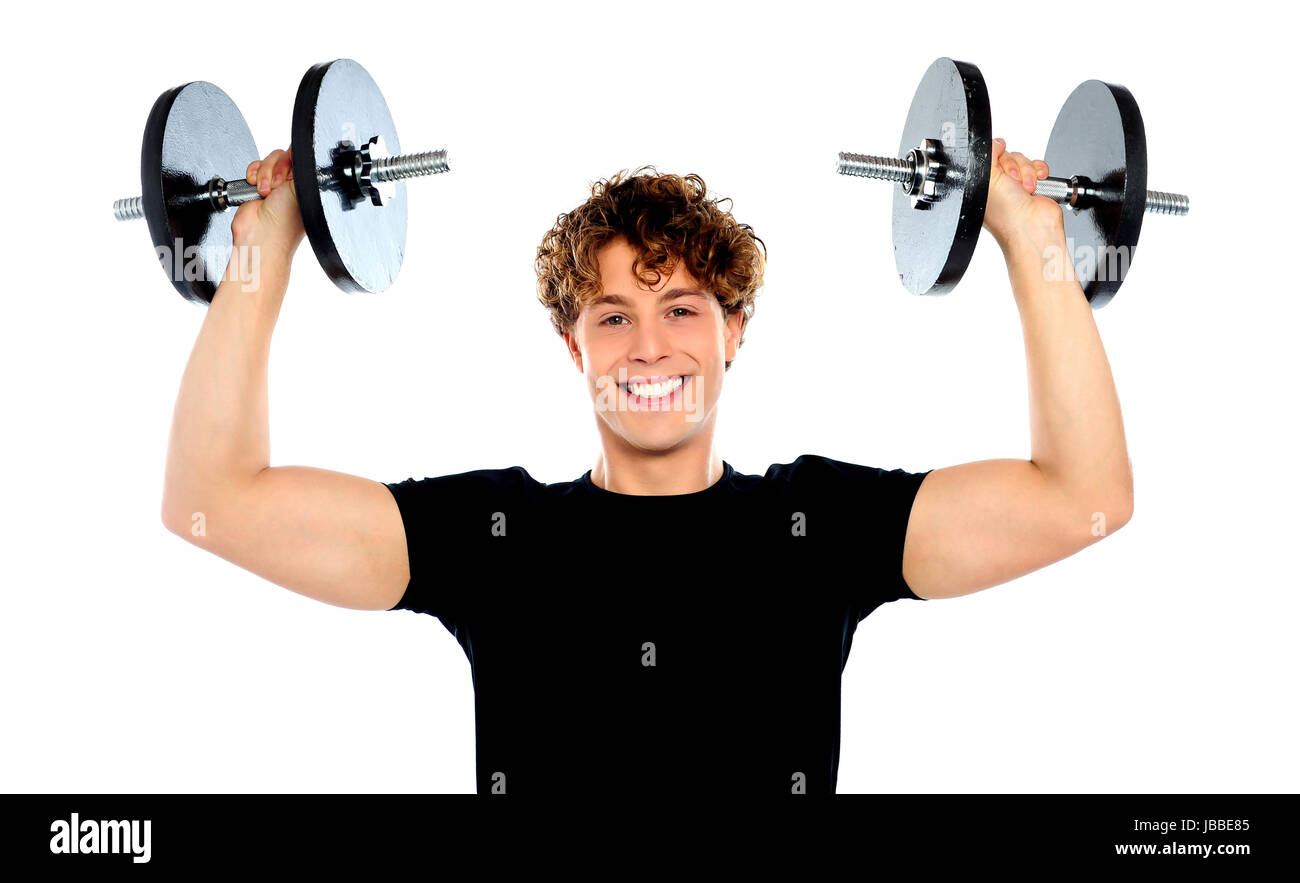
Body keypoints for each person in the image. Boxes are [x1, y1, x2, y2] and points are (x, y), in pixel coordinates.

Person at [161, 137, 1133, 795]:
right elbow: (215, 502)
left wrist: (1033, 238)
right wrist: (264, 252)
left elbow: (1080, 497)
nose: (649, 349)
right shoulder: (495, 537)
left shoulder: (820, 526)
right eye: (613, 317)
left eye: (682, 312)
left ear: (732, 333)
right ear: (572, 345)